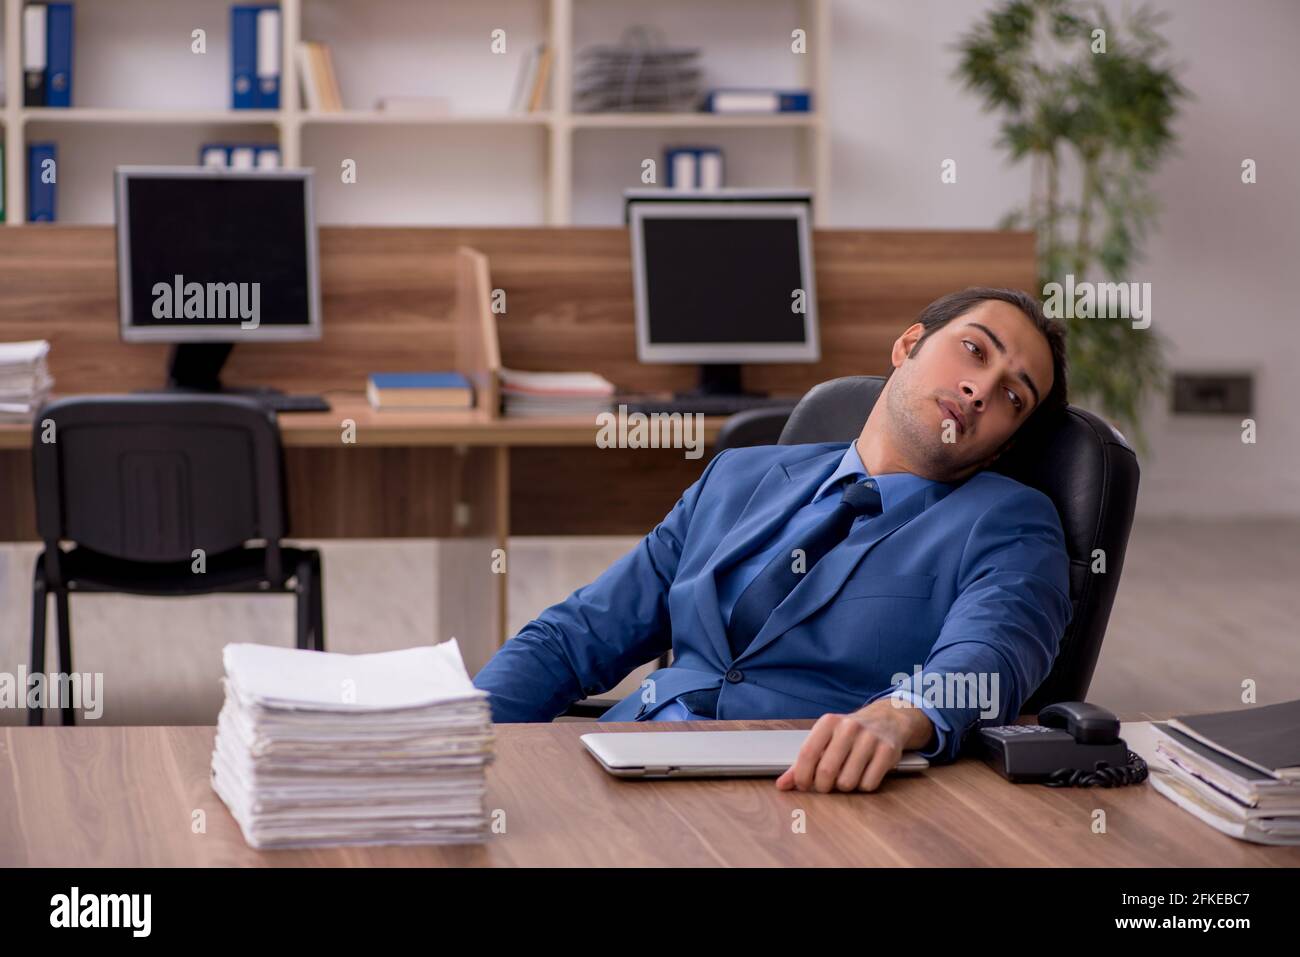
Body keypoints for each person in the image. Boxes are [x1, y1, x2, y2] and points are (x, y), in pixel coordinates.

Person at [474, 287, 1072, 793]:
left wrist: (904, 714)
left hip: (790, 797)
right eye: (973, 351)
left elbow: (993, 656)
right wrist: (451, 734)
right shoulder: (739, 476)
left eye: (1012, 397)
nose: (980, 390)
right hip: (623, 762)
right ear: (908, 345)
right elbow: (575, 636)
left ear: (1003, 447)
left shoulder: (1011, 522)